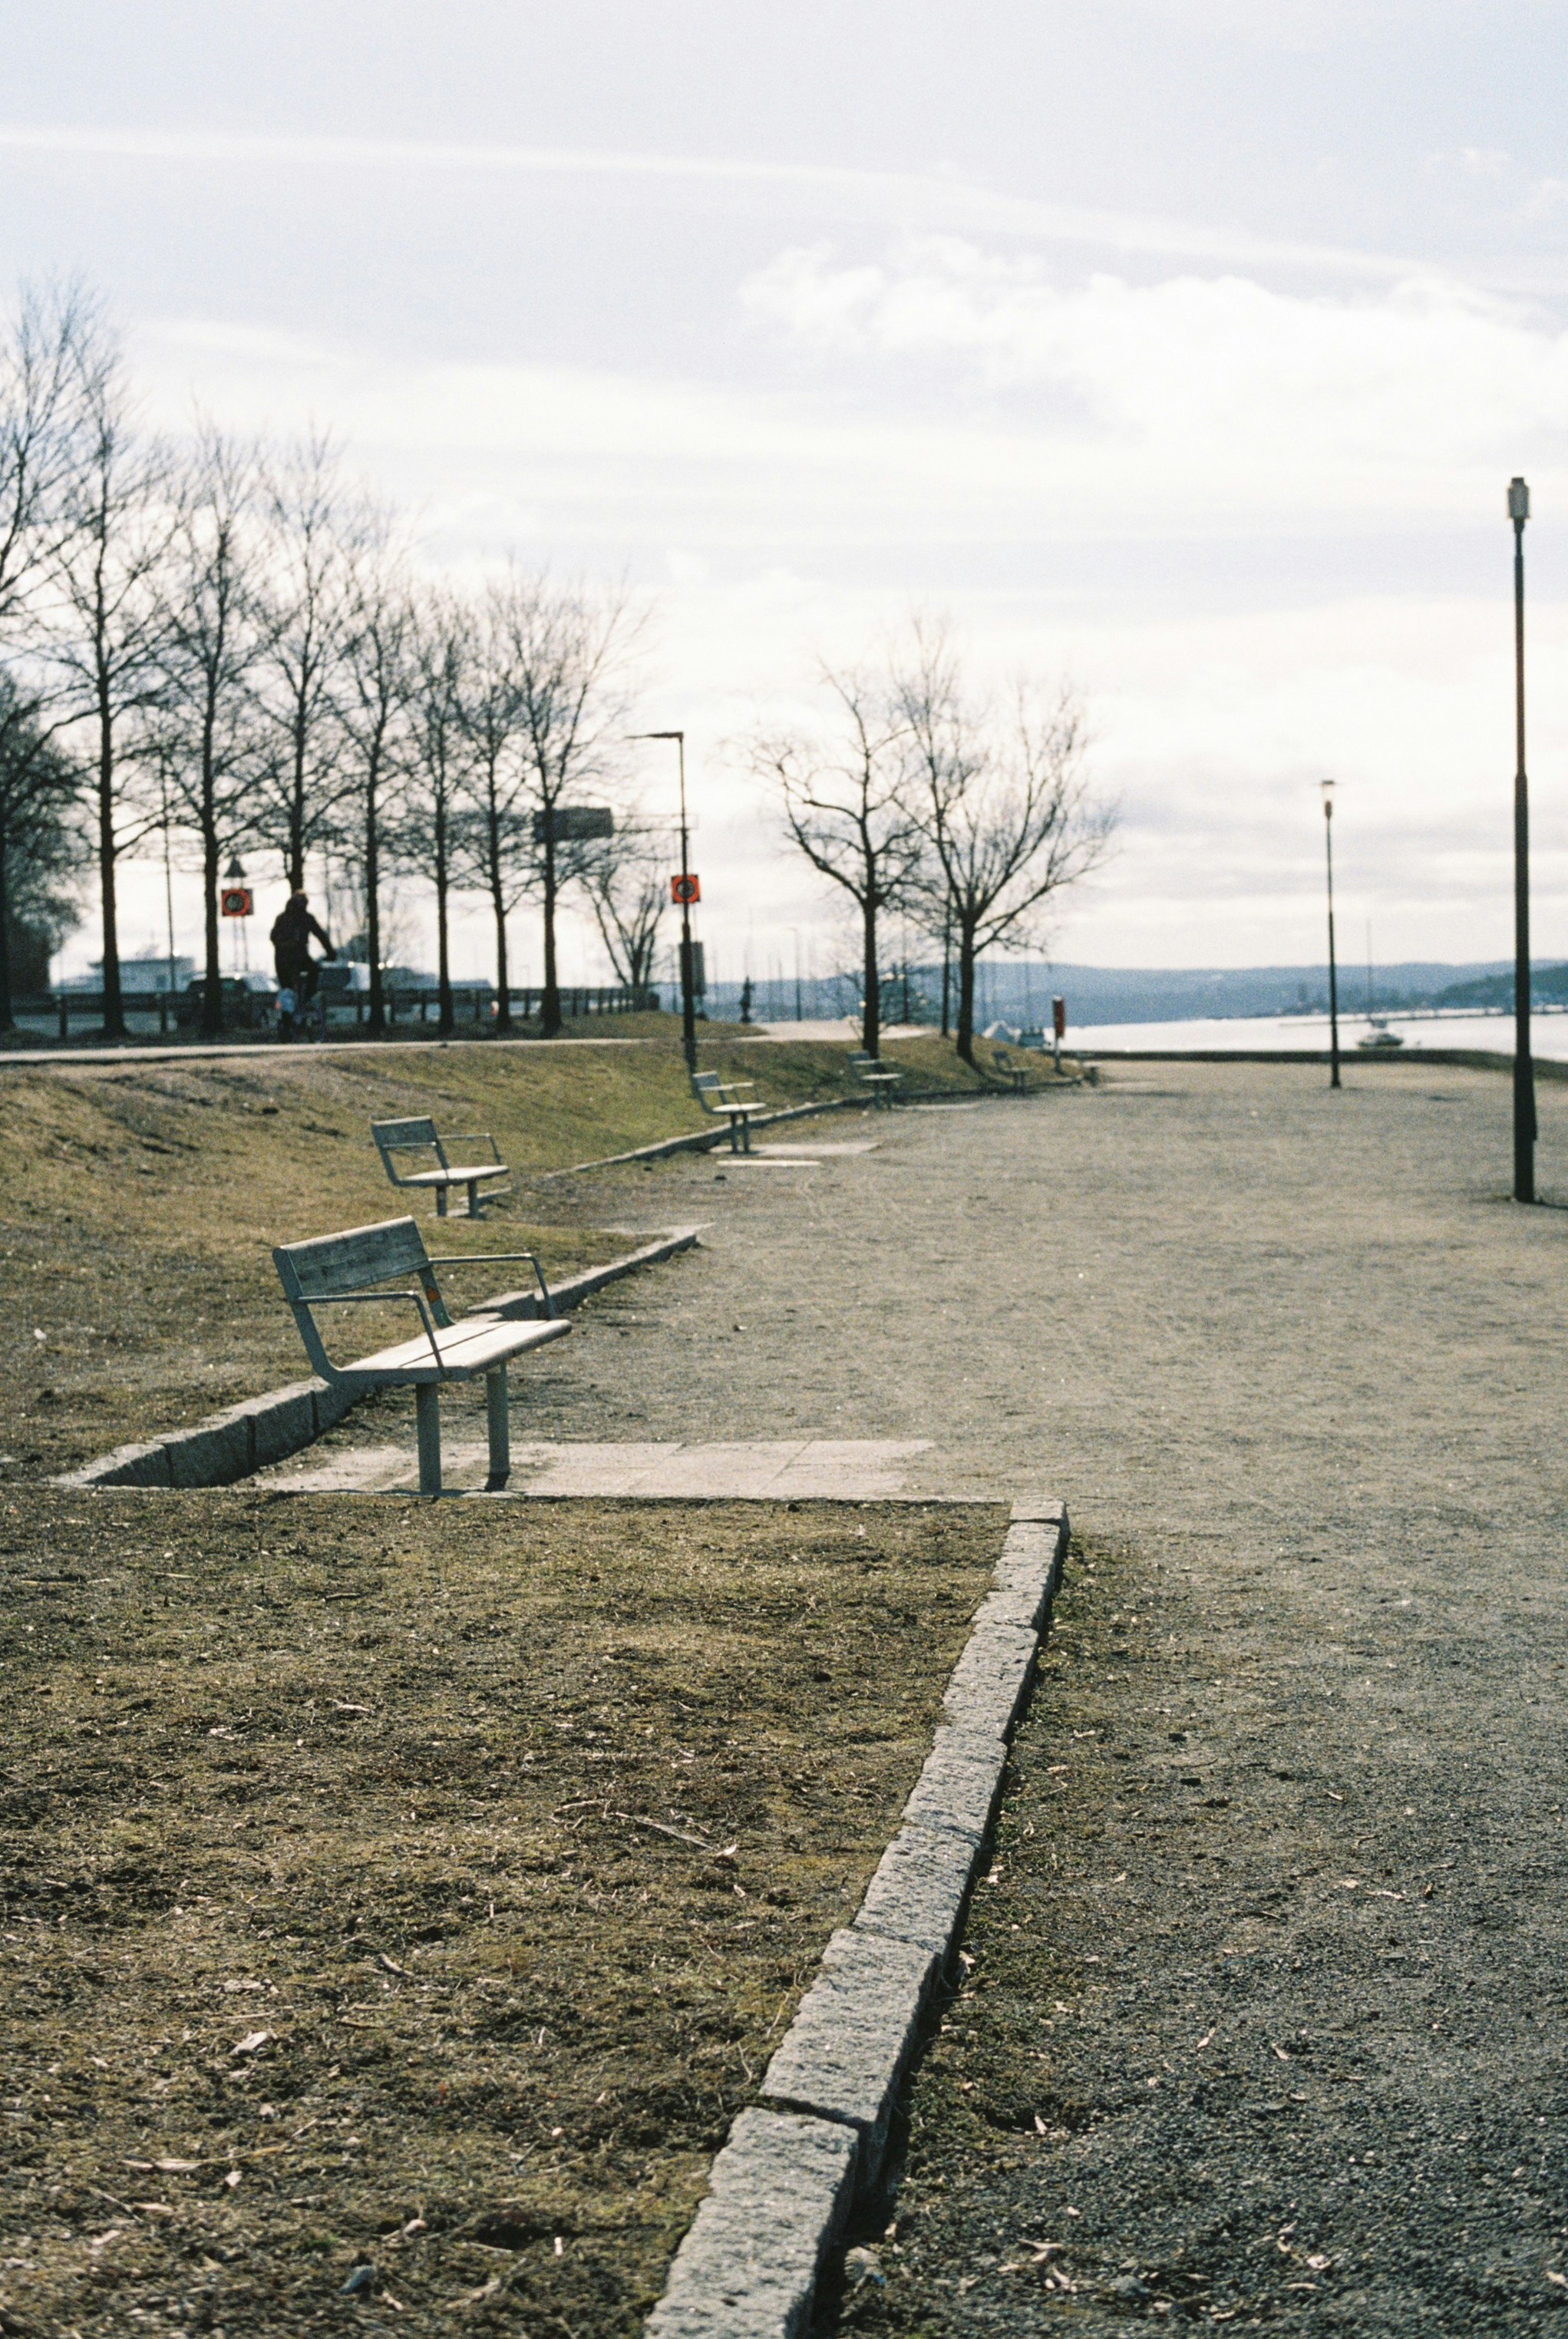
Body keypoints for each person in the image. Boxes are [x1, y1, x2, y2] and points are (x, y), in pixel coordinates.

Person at [270, 891, 336, 1039]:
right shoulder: (306, 918)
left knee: (287, 989)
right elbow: (320, 935)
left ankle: (286, 1023)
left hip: (281, 961)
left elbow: (273, 937)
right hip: (299, 958)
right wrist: (331, 952)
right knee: (314, 970)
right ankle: (308, 997)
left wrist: (282, 945)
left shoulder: (281, 918)